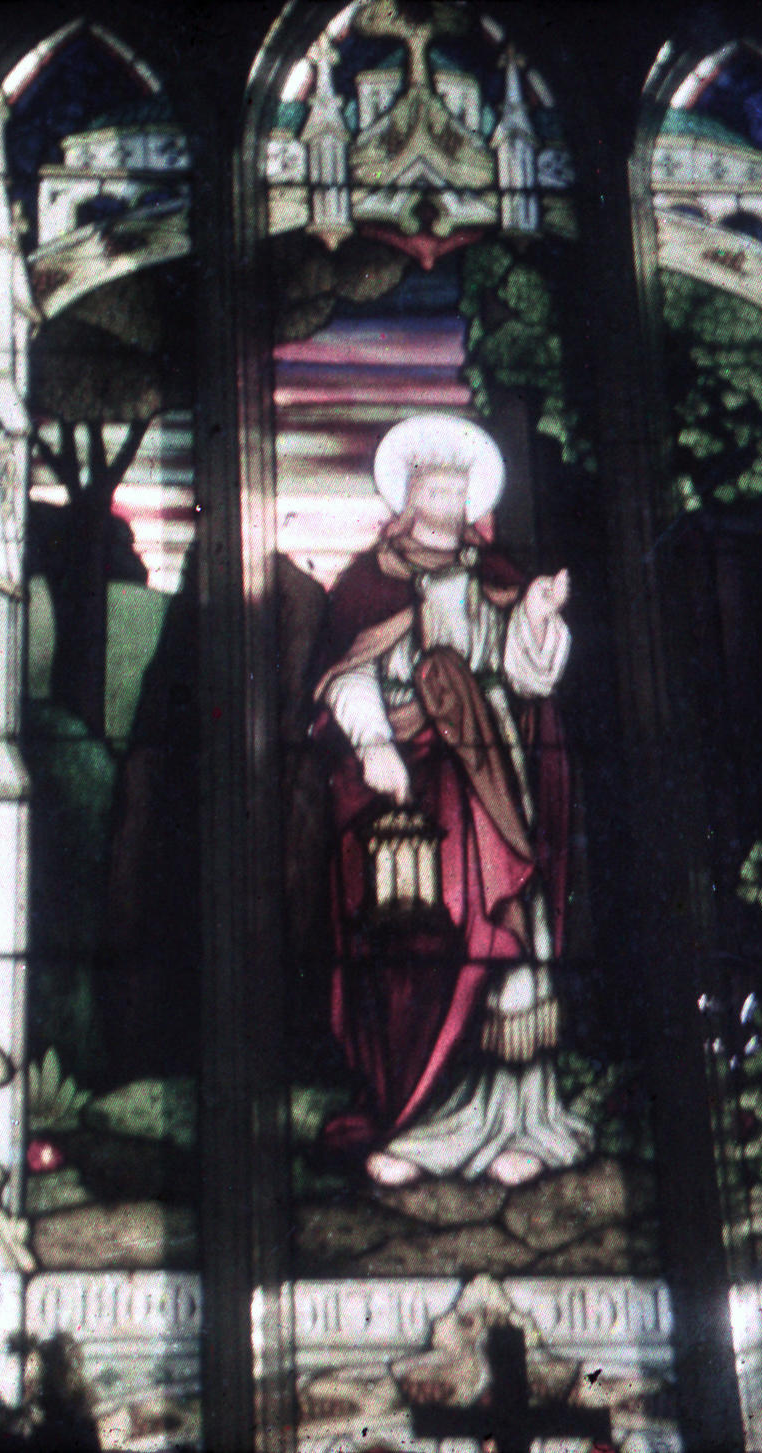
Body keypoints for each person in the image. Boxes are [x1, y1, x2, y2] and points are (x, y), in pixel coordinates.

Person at [309, 415, 592, 1188]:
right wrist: (373, 743)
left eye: (459, 484)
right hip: (413, 776)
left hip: (496, 773)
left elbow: (530, 679)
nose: (448, 496)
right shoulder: (367, 581)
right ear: (407, 492)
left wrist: (535, 615)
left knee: (507, 937)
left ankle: (518, 1123)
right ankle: (420, 1122)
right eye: (435, 484)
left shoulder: (495, 571)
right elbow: (347, 675)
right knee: (423, 946)